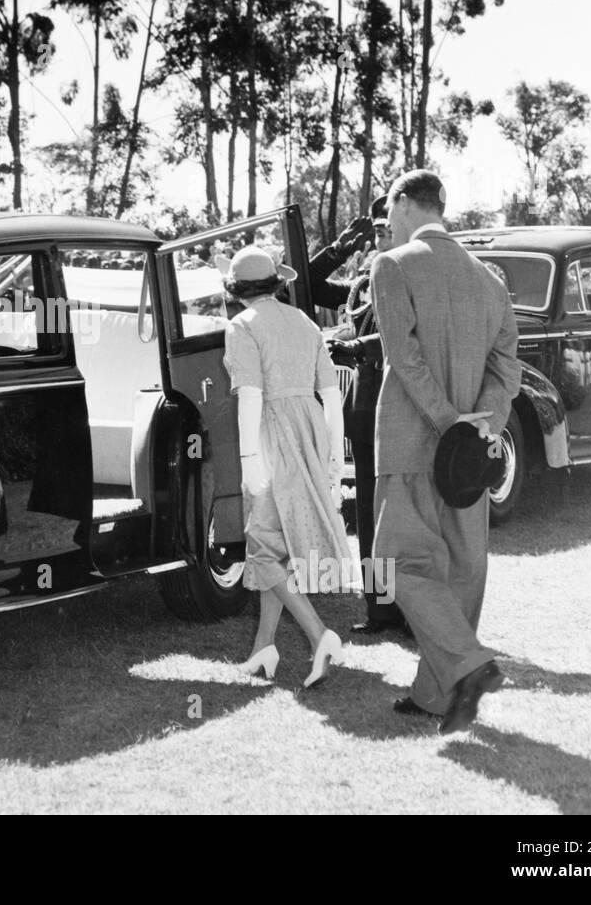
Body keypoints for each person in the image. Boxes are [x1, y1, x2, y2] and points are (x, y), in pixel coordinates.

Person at [370, 170, 521, 733]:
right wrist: (478, 427)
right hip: (472, 453)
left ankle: (469, 667)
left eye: (389, 207)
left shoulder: (392, 264)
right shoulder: (490, 279)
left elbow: (402, 357)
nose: (386, 220)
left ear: (407, 203)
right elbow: (508, 369)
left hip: (415, 440)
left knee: (400, 564)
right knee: (463, 568)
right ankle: (438, 695)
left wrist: (448, 423)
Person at [223, 246, 349, 688]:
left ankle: (320, 635)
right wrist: (334, 456)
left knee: (260, 544)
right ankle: (264, 645)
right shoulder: (305, 321)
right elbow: (332, 395)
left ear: (236, 289)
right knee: (275, 544)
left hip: (273, 433)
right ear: (276, 283)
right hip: (310, 429)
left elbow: (251, 396)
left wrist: (248, 459)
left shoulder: (242, 326)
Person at [314, 196, 410, 636]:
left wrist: (355, 348)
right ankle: (380, 609)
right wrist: (338, 249)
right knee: (370, 517)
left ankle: (413, 609)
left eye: (387, 226)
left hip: (406, 412)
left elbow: (408, 338)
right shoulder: (367, 282)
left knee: (405, 516)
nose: (380, 235)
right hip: (368, 411)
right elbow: (311, 286)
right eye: (376, 229)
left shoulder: (414, 274)